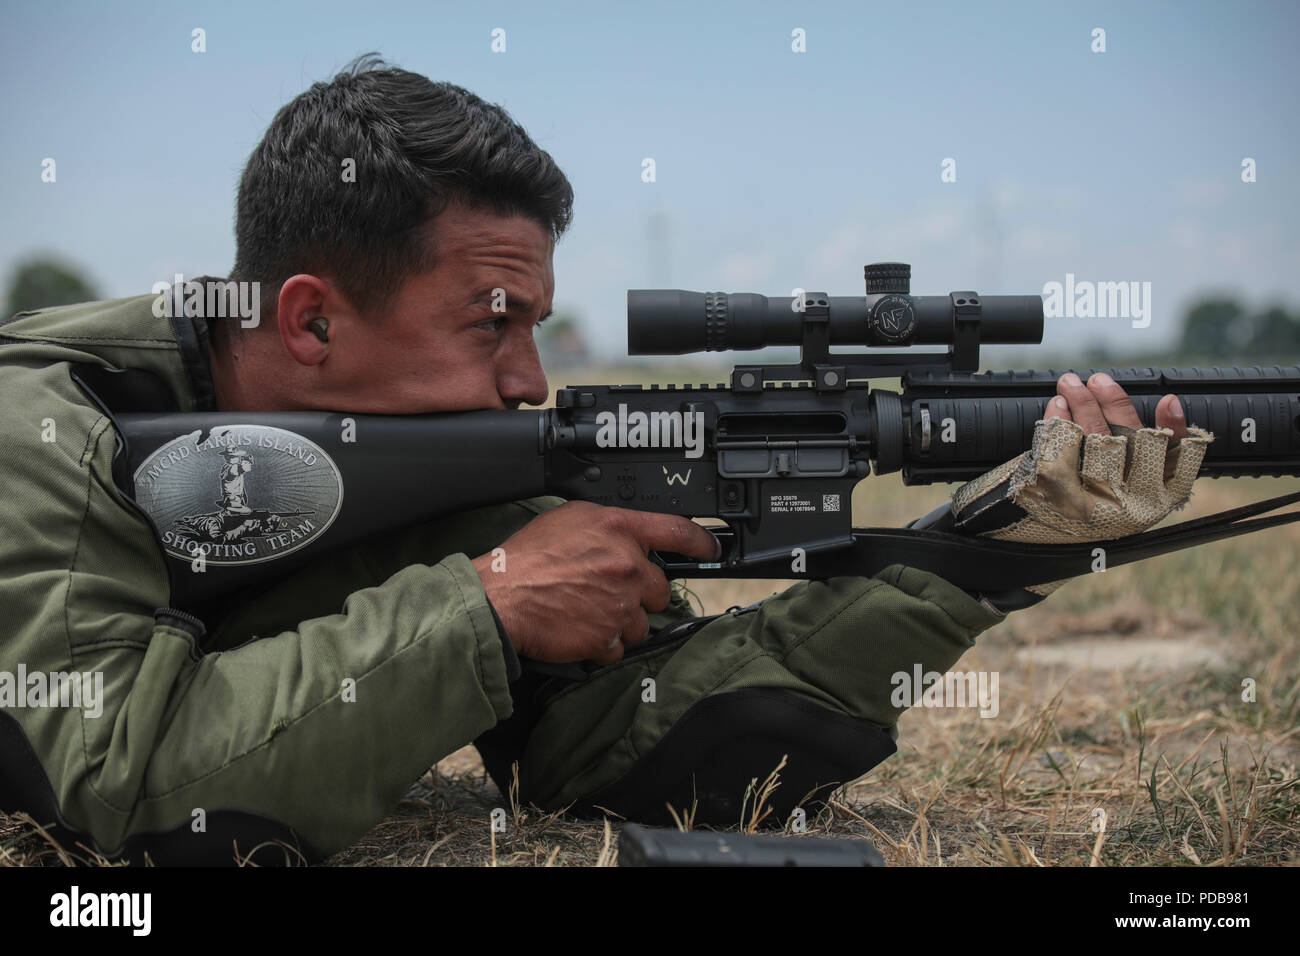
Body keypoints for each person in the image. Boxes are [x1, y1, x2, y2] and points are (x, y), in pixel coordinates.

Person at [0, 56, 1210, 865]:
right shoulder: (49, 431)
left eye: (535, 325)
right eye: (492, 322)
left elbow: (633, 754)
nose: (531, 379)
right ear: (312, 321)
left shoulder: (443, 464)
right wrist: (483, 609)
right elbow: (121, 793)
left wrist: (982, 547)